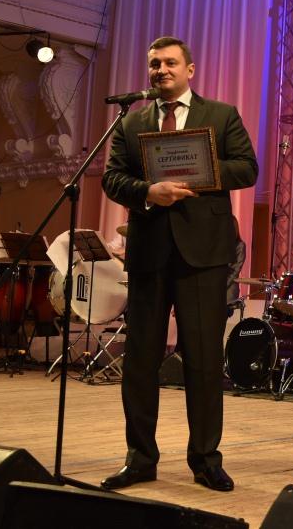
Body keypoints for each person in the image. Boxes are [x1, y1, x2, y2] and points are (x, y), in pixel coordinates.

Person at [100, 36, 258, 492]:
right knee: (140, 362)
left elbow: (246, 168)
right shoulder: (131, 122)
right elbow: (113, 178)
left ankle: (206, 461)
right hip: (149, 254)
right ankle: (139, 459)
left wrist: (199, 170)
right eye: (154, 64)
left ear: (190, 69)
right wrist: (149, 191)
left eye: (170, 62)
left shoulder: (222, 115)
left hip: (203, 256)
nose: (161, 70)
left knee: (204, 363)